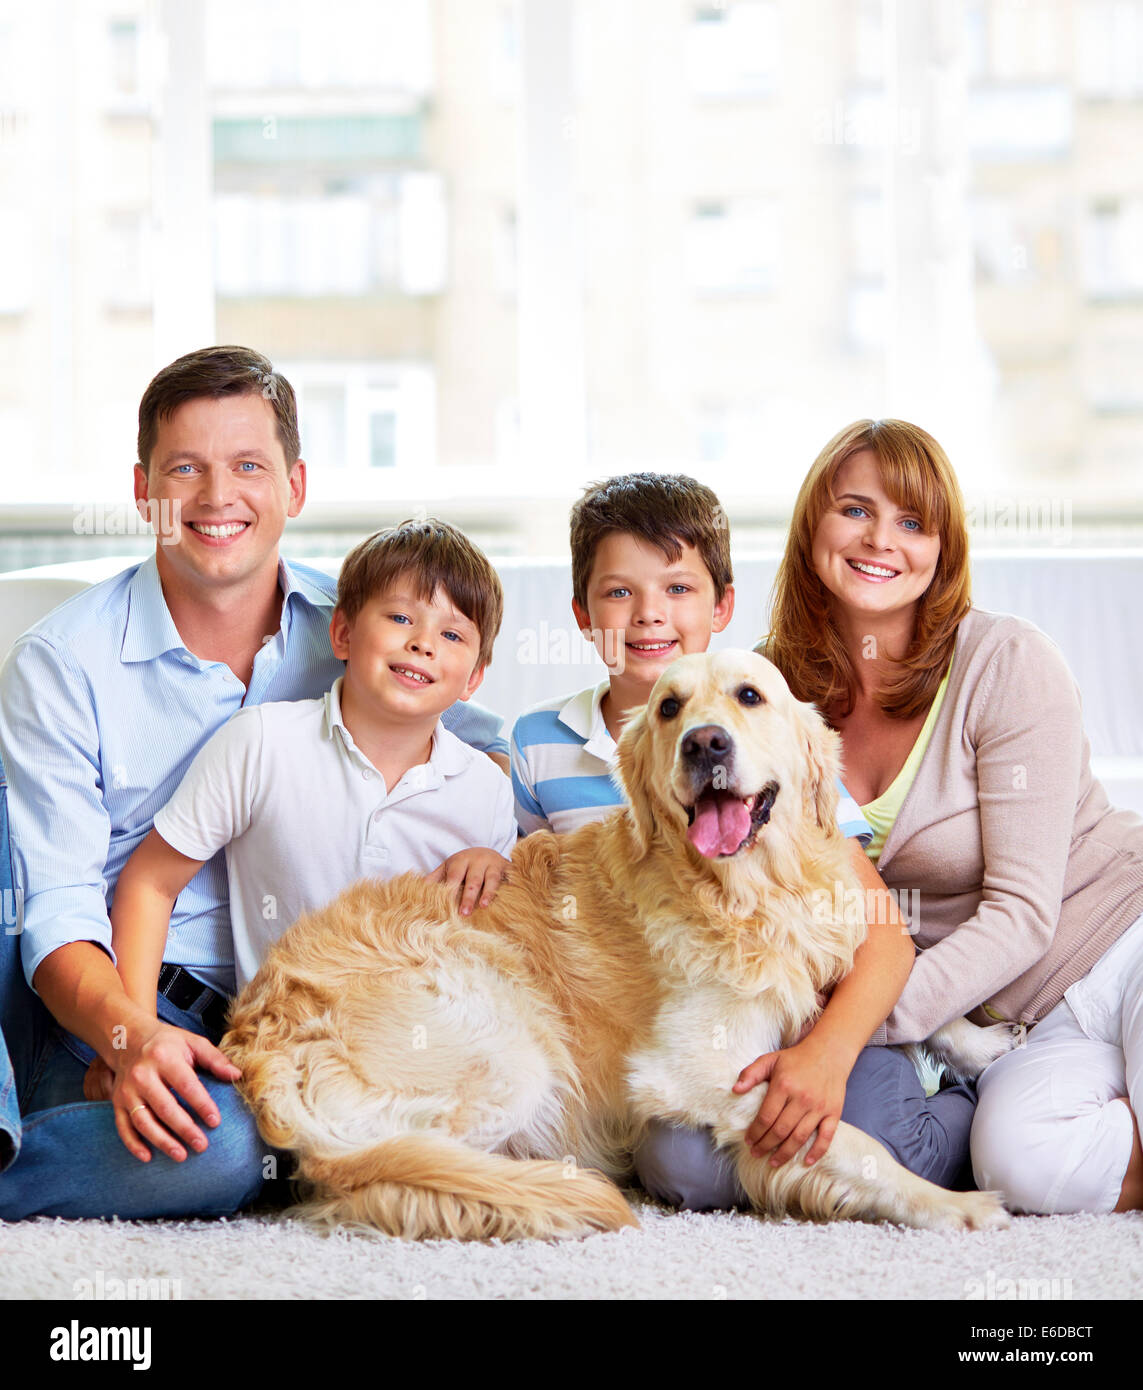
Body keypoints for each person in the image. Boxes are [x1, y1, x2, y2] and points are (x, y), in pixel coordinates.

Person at [0, 346, 509, 1219]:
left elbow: (482, 743)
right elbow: (60, 907)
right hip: (121, 988)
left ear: (294, 486)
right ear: (143, 491)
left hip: (296, 1011)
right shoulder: (62, 662)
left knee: (273, 1142)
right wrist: (128, 1035)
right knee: (226, 1152)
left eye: (247, 466)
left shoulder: (360, 625)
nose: (216, 496)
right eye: (184, 469)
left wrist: (483, 846)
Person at [509, 471, 970, 1209]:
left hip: (808, 1019)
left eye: (677, 589)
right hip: (672, 1022)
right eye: (619, 592)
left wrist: (825, 1055)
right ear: (582, 613)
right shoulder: (541, 745)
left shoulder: (784, 752)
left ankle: (951, 1117)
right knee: (681, 1166)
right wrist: (480, 856)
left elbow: (882, 934)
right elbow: (532, 896)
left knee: (870, 1123)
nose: (649, 614)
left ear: (720, 604)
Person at [763, 417, 1143, 1215]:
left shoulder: (1004, 661)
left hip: (1121, 943)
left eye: (911, 522)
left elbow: (1021, 915)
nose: (880, 540)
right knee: (1017, 1164)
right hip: (1015, 1028)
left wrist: (845, 1030)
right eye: (854, 510)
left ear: (942, 549)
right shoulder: (768, 690)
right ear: (811, 527)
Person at [107, 518, 516, 1161]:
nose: (422, 644)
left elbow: (491, 953)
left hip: (417, 1059)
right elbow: (149, 883)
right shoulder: (262, 742)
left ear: (474, 679)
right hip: (284, 1050)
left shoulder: (485, 791)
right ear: (343, 633)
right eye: (400, 619)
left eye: (452, 634)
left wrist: (496, 862)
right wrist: (132, 1036)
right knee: (214, 1150)